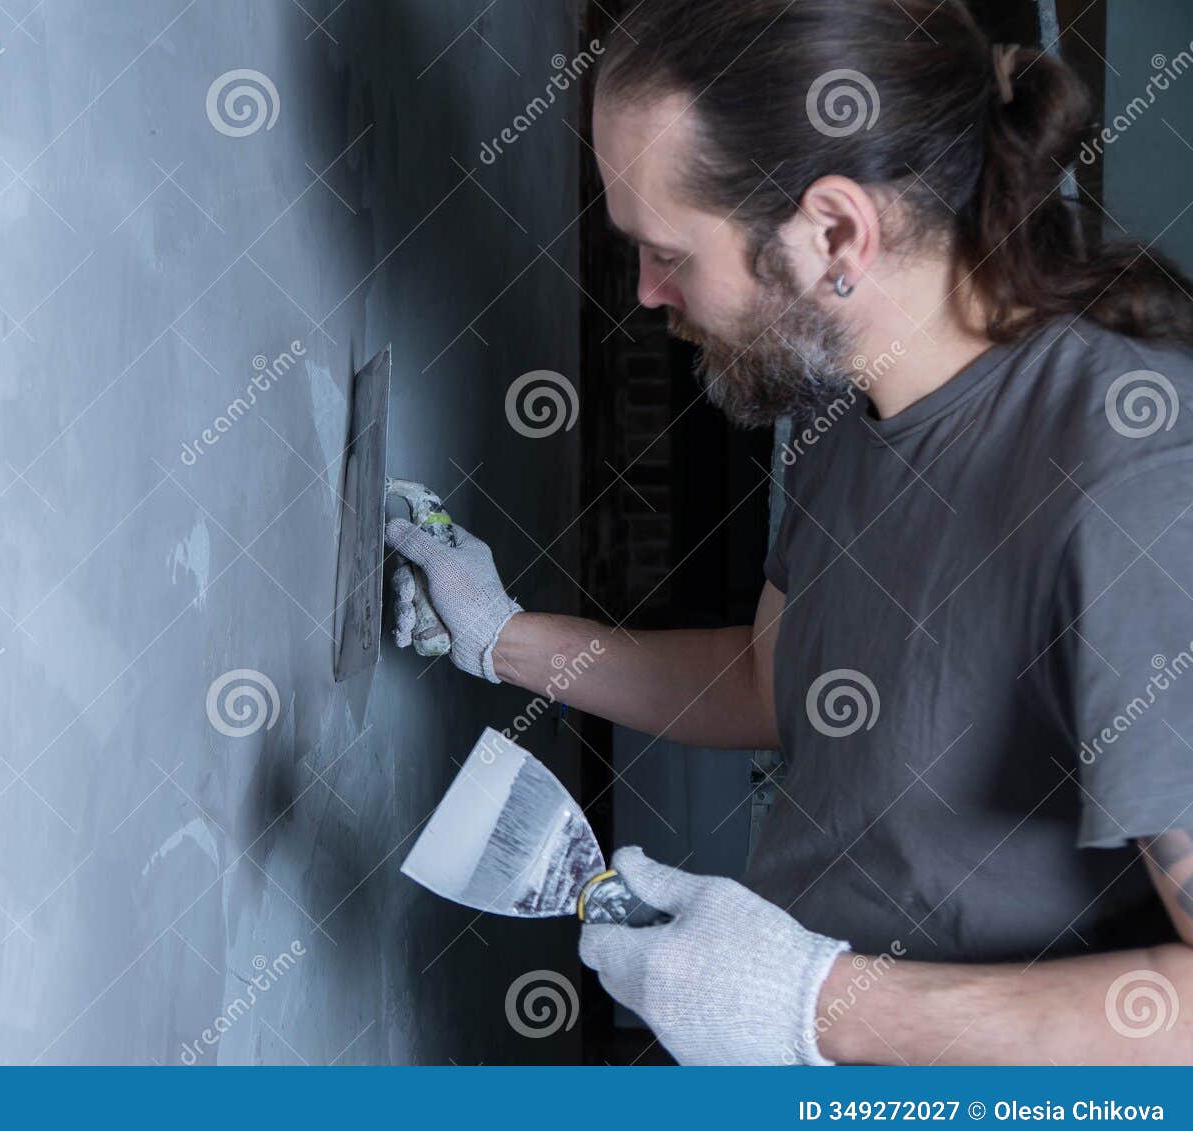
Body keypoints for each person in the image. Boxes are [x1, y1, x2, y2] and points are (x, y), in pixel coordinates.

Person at [386, 0, 1193, 1064]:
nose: (647, 293)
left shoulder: (1140, 485)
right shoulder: (842, 402)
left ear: (836, 233)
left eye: (668, 252)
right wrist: (505, 637)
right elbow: (773, 682)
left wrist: (819, 1006)